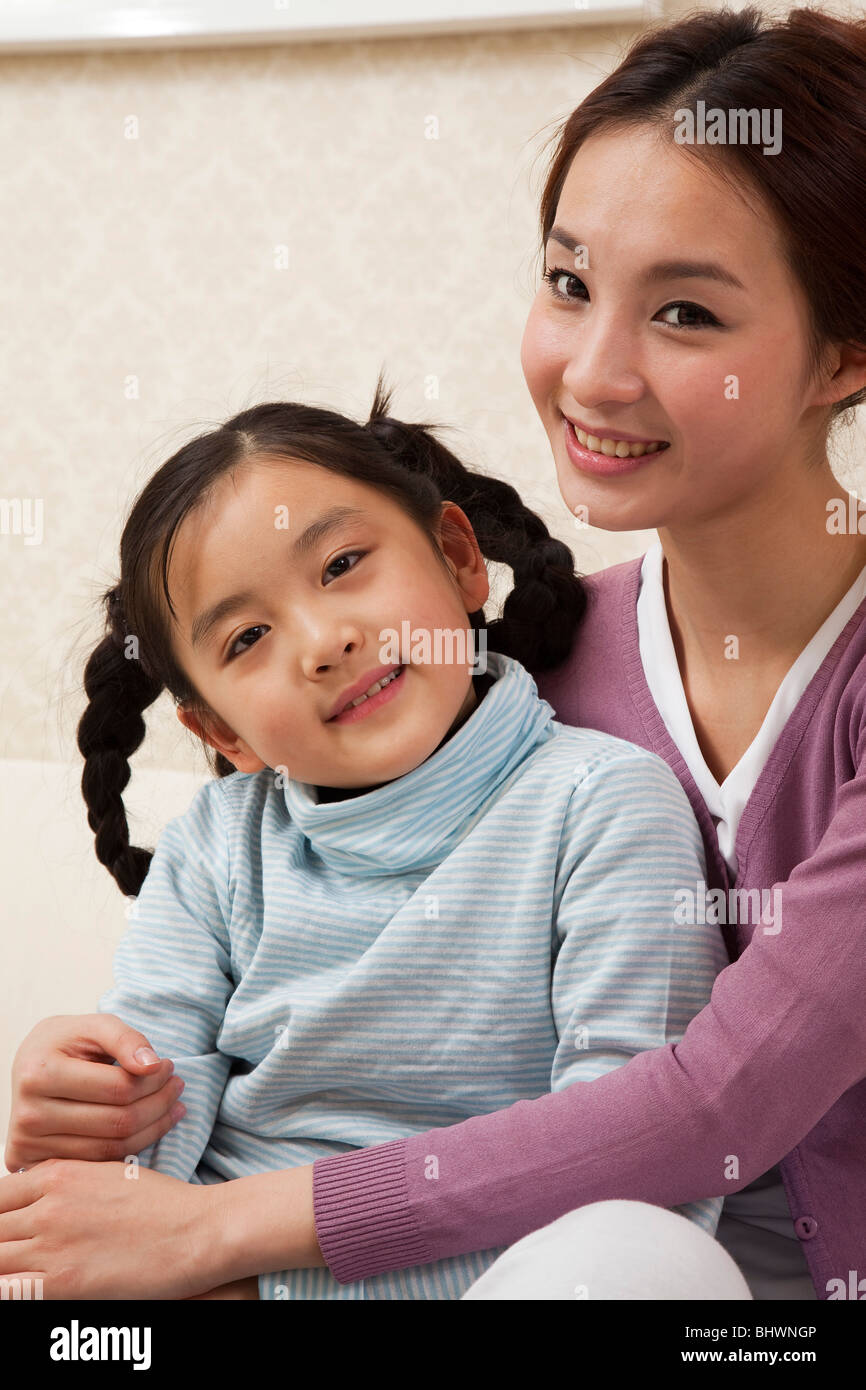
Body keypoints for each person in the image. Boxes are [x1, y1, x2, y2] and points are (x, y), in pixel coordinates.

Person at [5, 1, 864, 1301]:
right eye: (567, 284)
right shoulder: (510, 665)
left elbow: (698, 1110)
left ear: (841, 357)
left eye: (684, 313)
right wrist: (101, 1127)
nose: (591, 370)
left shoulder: (593, 784)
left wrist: (218, 1236)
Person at [1, 375, 743, 1300]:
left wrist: (263, 1283)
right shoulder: (215, 846)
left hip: (456, 1277)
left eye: (344, 565)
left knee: (641, 1261)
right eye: (246, 639)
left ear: (458, 557)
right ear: (223, 734)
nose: (321, 640)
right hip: (202, 1275)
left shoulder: (601, 804)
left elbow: (631, 1170)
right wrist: (75, 1118)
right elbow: (139, 1177)